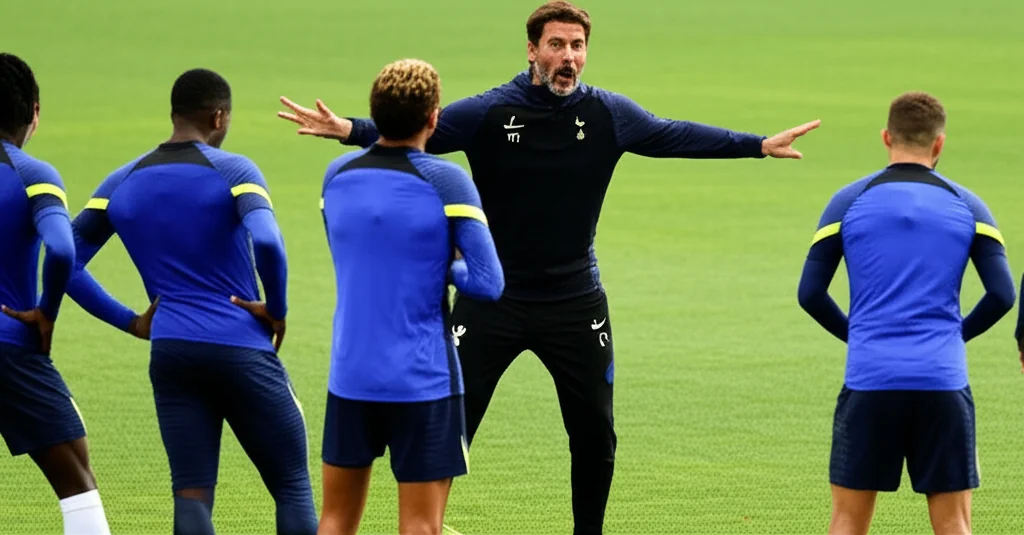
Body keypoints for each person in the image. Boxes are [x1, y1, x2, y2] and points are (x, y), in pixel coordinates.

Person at [278, 2, 818, 532]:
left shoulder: (609, 114)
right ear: (532, 49)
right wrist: (349, 129)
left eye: (577, 46)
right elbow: (413, 133)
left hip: (575, 301)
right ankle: (430, 526)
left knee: (594, 434)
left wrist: (758, 145)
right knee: (449, 429)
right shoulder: (490, 112)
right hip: (493, 300)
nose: (568, 56)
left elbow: (673, 134)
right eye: (556, 44)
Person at [65, 68, 317, 535]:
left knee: (193, 495)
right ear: (219, 117)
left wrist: (132, 322)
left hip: (172, 352)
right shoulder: (235, 170)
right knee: (291, 485)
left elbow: (63, 260)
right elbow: (269, 243)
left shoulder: (122, 180)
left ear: (174, 114)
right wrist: (276, 308)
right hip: (242, 348)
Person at [797, 91, 1015, 535]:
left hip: (870, 379)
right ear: (939, 144)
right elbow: (1003, 295)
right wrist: (955, 336)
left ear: (886, 137)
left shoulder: (847, 202)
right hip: (942, 379)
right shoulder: (970, 206)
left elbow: (810, 294)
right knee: (953, 524)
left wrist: (858, 335)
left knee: (847, 523)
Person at [317, 58, 503, 535]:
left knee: (335, 521)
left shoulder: (336, 176)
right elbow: (488, 282)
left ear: (375, 114)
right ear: (434, 118)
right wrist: (448, 263)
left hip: (350, 372)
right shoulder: (447, 181)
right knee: (421, 527)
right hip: (422, 378)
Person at [0, 52, 113, 535]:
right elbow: (63, 250)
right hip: (10, 345)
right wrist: (45, 313)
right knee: (77, 482)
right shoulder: (32, 173)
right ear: (34, 113)